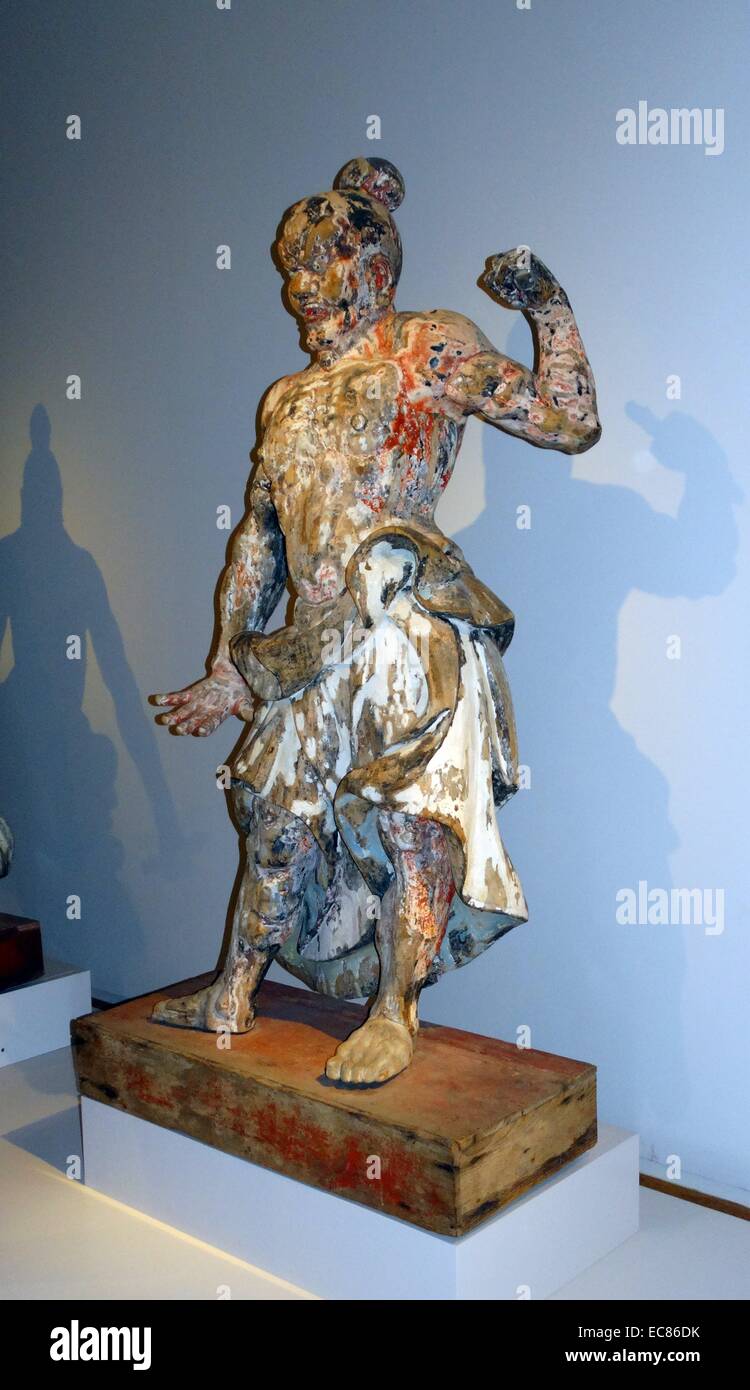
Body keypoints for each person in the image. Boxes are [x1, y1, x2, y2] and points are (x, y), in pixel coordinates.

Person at [152, 157, 600, 1084]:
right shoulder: (285, 398)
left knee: (412, 823)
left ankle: (395, 1010)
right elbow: (258, 541)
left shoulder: (427, 346)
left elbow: (567, 422)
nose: (300, 290)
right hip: (307, 649)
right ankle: (233, 992)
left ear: (375, 264)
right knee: (275, 824)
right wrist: (231, 665)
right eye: (290, 270)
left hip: (403, 625)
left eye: (320, 266)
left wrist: (547, 307)